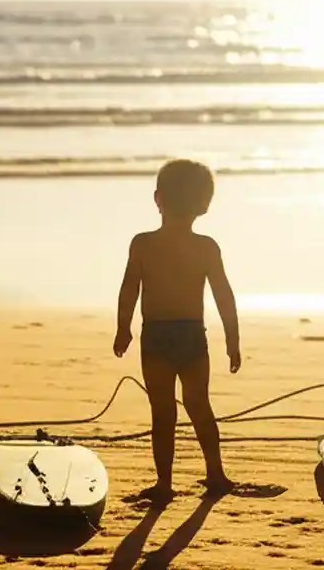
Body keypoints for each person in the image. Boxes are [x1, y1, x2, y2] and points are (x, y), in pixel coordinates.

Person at [113, 159, 241, 502]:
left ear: (158, 199)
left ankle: (165, 483)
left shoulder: (142, 243)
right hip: (190, 336)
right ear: (203, 205)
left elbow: (129, 289)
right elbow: (224, 296)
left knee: (163, 411)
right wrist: (233, 340)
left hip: (156, 335)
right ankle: (215, 473)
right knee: (199, 404)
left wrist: (122, 328)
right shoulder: (206, 247)